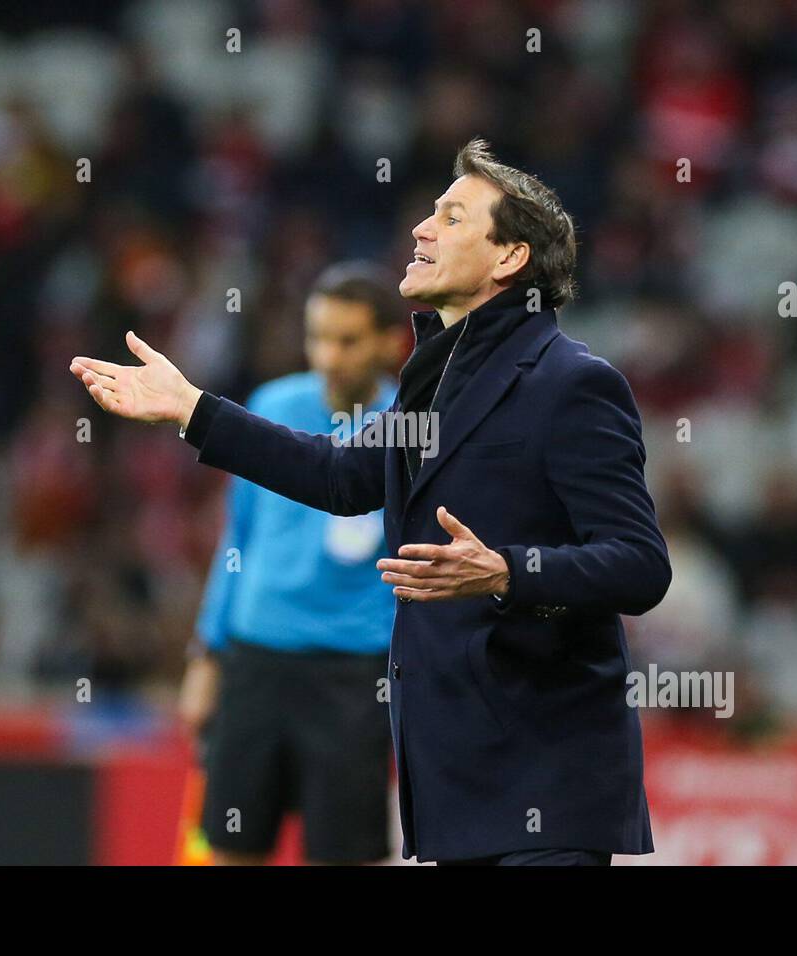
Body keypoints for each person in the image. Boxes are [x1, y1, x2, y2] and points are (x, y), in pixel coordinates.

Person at [71, 138, 671, 865]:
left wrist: (508, 572)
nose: (421, 228)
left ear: (510, 258)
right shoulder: (438, 378)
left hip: (544, 772)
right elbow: (340, 476)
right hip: (456, 782)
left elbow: (640, 565)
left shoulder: (572, 382)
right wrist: (192, 409)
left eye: (451, 218)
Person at [180, 263, 404, 865]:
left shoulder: (411, 430)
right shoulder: (272, 404)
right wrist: (207, 654)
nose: (329, 357)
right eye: (318, 337)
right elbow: (239, 537)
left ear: (391, 341)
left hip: (355, 673)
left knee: (344, 856)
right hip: (257, 660)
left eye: (348, 340)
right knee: (229, 847)